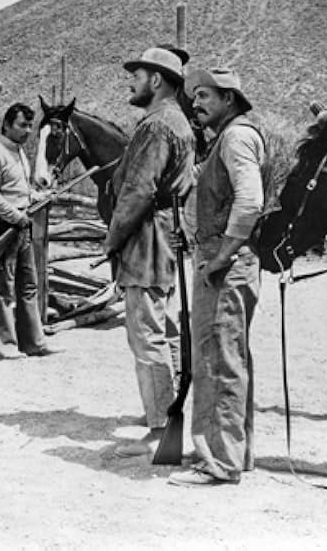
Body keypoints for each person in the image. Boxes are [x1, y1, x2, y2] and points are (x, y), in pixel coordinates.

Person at [168, 68, 265, 486]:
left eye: (206, 95)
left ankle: (220, 463)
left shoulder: (238, 138)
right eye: (196, 96)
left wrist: (221, 256)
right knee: (228, 355)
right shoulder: (226, 138)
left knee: (220, 359)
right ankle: (233, 454)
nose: (197, 103)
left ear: (229, 99)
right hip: (219, 259)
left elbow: (250, 201)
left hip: (225, 265)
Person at [103, 47, 195, 457]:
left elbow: (138, 189)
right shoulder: (181, 123)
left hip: (146, 239)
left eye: (137, 75)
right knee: (167, 330)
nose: (131, 82)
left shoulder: (157, 126)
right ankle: (170, 414)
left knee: (146, 335)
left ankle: (161, 431)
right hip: (167, 234)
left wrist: (113, 239)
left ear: (156, 80)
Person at [0, 102, 51, 360]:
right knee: (3, 288)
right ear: (7, 125)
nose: (28, 130)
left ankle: (33, 343)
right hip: (3, 226)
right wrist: (15, 216)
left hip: (22, 224)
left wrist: (37, 195)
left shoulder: (18, 152)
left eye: (30, 125)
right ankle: (3, 346)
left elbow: (19, 190)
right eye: (22, 125)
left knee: (28, 286)